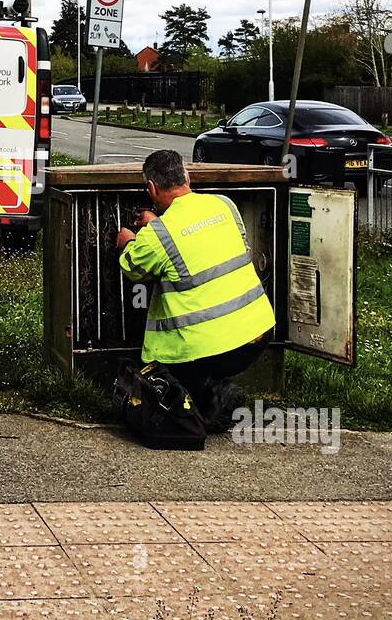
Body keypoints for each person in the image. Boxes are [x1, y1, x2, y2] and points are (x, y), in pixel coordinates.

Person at [114, 149, 275, 426]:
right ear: (187, 176)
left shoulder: (158, 235)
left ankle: (207, 400)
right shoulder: (224, 205)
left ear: (151, 188)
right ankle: (218, 393)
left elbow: (133, 268)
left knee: (161, 374)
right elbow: (198, 240)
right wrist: (159, 225)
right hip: (258, 336)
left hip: (209, 350)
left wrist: (128, 241)